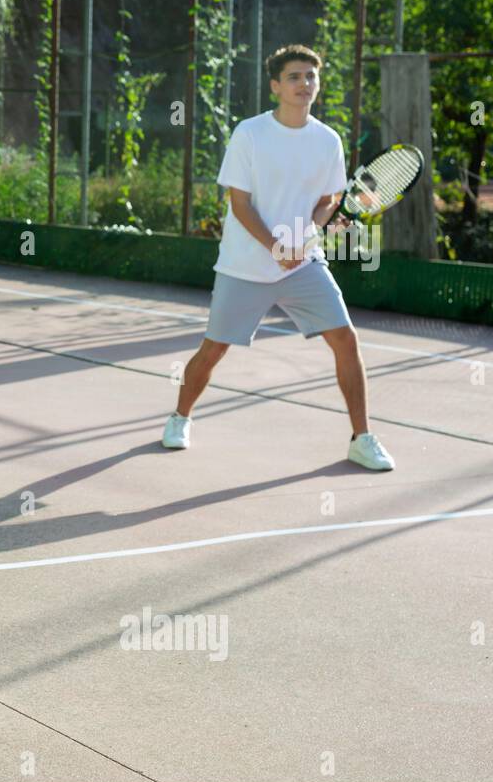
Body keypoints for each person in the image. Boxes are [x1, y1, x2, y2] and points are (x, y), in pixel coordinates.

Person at [162, 44, 395, 472]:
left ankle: (362, 438)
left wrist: (323, 227)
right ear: (275, 85)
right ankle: (180, 418)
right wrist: (274, 247)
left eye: (311, 76)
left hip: (304, 265)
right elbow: (240, 203)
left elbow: (328, 200)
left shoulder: (328, 140)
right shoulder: (249, 133)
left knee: (345, 339)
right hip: (244, 265)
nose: (304, 84)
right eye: (294, 77)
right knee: (213, 349)